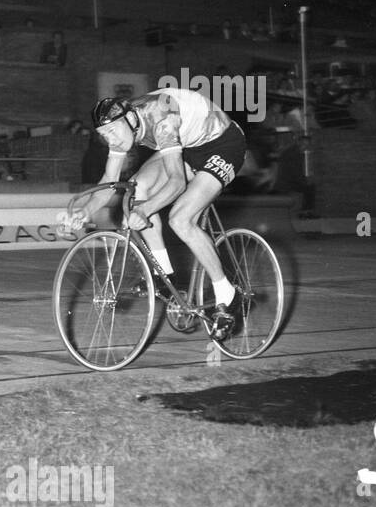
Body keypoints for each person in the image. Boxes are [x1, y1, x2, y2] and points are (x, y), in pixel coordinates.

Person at [77, 90, 248, 340]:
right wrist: (83, 212)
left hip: (223, 145)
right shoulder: (121, 127)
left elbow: (177, 182)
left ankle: (227, 295)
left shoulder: (160, 117)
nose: (110, 140)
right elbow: (110, 181)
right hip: (187, 146)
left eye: (112, 131)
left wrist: (145, 211)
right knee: (135, 191)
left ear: (130, 120)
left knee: (180, 219)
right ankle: (164, 276)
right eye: (104, 136)